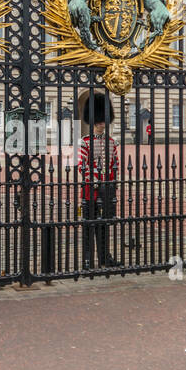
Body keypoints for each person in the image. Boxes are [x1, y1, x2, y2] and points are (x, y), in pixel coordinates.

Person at [76, 91, 120, 269]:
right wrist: (94, 181)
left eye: (104, 121)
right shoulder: (85, 142)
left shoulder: (111, 142)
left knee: (104, 226)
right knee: (89, 226)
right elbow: (82, 166)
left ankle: (104, 257)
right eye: (100, 120)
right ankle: (88, 259)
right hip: (90, 190)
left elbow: (115, 165)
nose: (102, 124)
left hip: (107, 189)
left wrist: (109, 184)